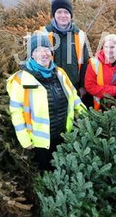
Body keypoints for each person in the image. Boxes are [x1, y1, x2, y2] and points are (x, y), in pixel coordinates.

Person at [6, 34, 86, 170]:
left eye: (46, 49)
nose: (43, 54)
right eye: (37, 50)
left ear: (51, 52)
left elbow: (73, 95)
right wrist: (25, 140)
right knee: (47, 172)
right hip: (41, 142)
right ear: (31, 55)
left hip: (64, 134)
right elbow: (16, 112)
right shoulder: (21, 80)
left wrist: (87, 115)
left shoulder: (60, 73)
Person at [39, 0, 90, 104]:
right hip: (50, 87)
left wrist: (82, 86)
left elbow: (85, 62)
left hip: (73, 85)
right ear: (54, 14)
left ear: (71, 15)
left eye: (66, 12)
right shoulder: (43, 34)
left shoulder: (80, 35)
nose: (63, 15)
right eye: (59, 12)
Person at [84, 34, 116, 110]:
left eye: (112, 47)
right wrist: (113, 90)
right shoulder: (94, 63)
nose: (109, 50)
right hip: (101, 109)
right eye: (106, 47)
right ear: (103, 48)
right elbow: (89, 86)